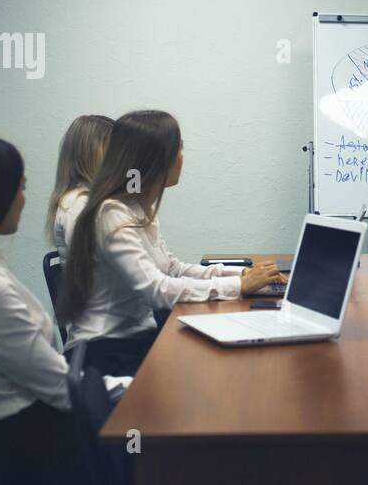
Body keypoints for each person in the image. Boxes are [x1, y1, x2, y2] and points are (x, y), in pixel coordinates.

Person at [0, 133, 125, 485]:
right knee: (179, 444)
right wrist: (136, 389)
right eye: (20, 187)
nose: (24, 198)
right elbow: (64, 390)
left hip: (23, 435)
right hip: (41, 448)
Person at [59, 110, 284, 376]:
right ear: (158, 160)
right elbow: (156, 289)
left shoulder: (136, 209)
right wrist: (238, 285)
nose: (182, 157)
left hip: (134, 341)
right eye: (180, 148)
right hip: (105, 353)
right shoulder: (111, 214)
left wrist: (242, 275)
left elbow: (172, 269)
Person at [47, 114, 113, 260]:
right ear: (91, 154)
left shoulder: (92, 199)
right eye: (113, 149)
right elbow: (96, 263)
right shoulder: (77, 204)